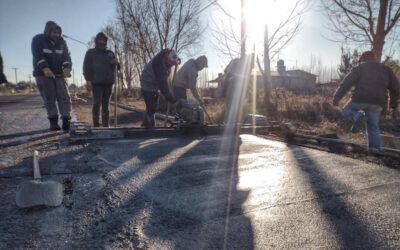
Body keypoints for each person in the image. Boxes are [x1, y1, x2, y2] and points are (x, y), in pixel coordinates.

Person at [333, 51, 399, 151]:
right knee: (373, 126)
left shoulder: (360, 67)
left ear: (363, 58)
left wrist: (337, 98)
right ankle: (375, 150)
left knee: (345, 111)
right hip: (378, 103)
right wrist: (393, 105)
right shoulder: (386, 69)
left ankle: (358, 116)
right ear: (373, 58)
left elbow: (346, 83)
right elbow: (396, 88)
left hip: (360, 99)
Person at [31, 21, 73, 131]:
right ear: (48, 31)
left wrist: (67, 68)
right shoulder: (38, 39)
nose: (57, 35)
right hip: (43, 74)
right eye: (54, 32)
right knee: (49, 98)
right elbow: (37, 55)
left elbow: (66, 56)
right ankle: (53, 121)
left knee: (64, 96)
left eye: (58, 33)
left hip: (59, 74)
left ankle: (66, 120)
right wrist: (45, 68)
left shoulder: (61, 41)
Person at [83, 32, 119, 127]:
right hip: (97, 83)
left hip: (108, 83)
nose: (102, 41)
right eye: (100, 39)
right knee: (96, 104)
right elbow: (86, 67)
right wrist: (88, 81)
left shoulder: (110, 53)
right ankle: (96, 124)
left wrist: (116, 63)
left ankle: (106, 124)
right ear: (96, 40)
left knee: (106, 106)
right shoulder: (91, 53)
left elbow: (117, 67)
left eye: (104, 40)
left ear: (106, 41)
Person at [140, 49, 179, 128]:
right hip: (147, 83)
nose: (171, 65)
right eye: (171, 63)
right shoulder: (159, 67)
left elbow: (172, 55)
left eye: (173, 64)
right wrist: (173, 100)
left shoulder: (167, 53)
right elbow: (163, 87)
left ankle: (144, 124)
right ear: (166, 59)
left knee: (151, 105)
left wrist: (177, 60)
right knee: (152, 107)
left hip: (154, 83)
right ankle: (151, 127)